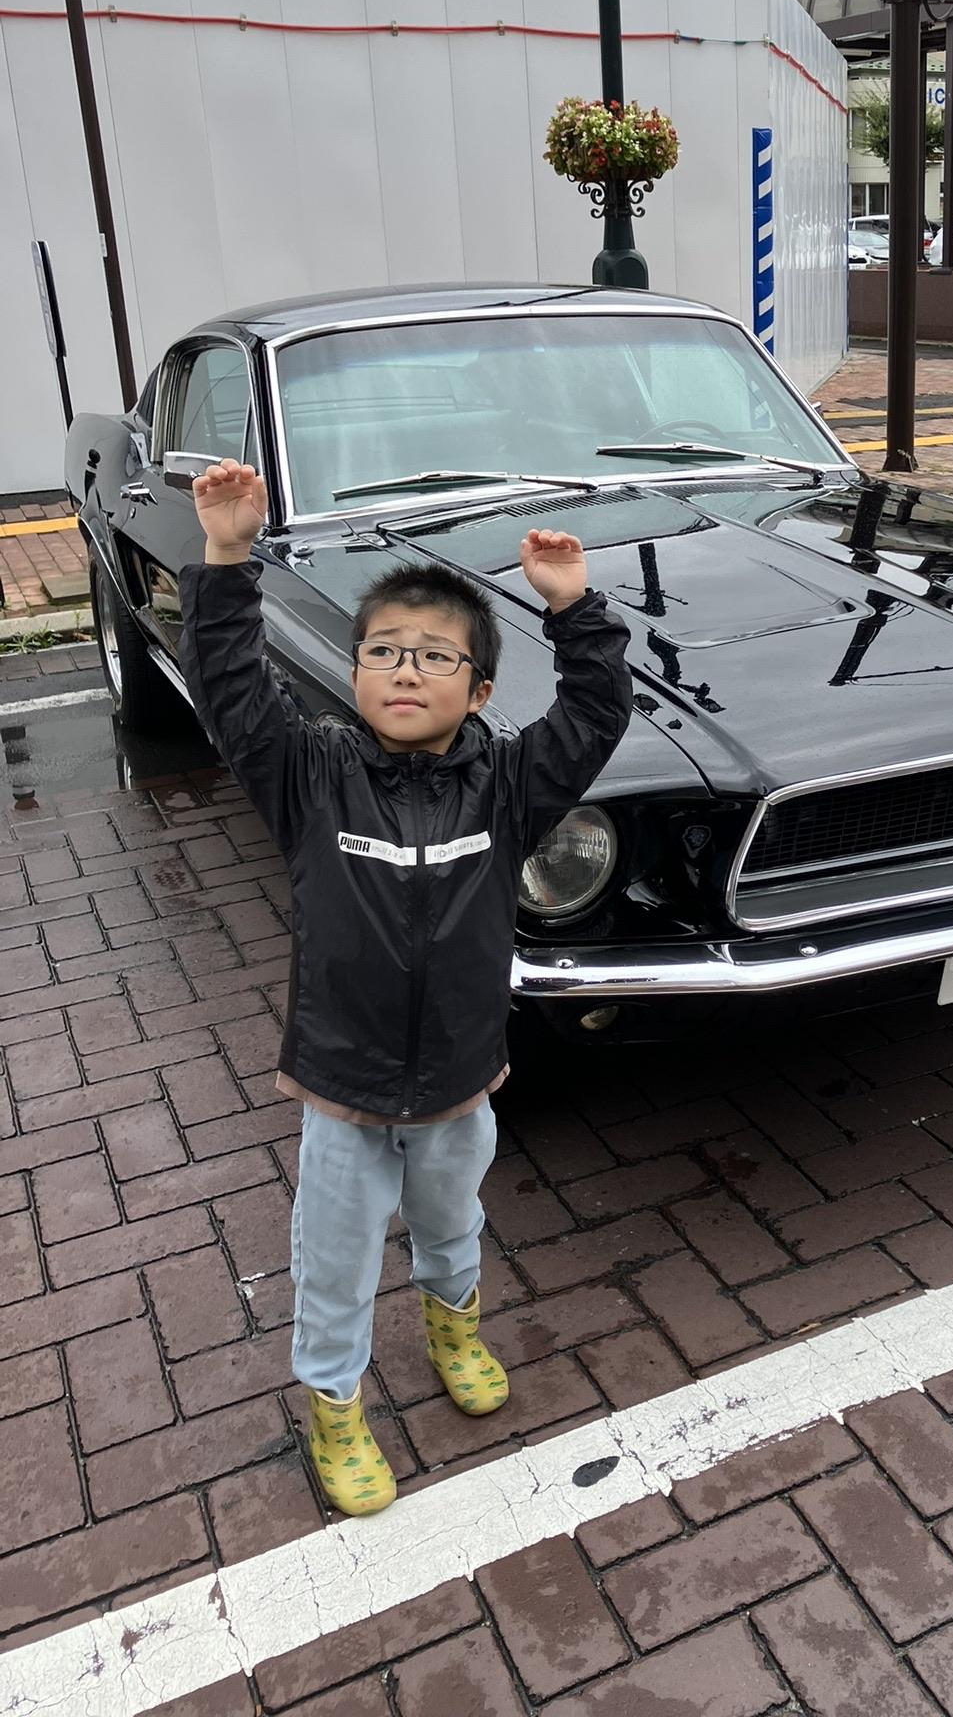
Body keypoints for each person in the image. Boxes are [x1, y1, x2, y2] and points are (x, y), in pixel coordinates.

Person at [179, 459, 632, 1516]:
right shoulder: (308, 772)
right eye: (384, 652)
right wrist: (228, 557)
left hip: (462, 1077)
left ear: (478, 691)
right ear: (355, 674)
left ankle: (452, 1325)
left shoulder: (511, 782)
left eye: (435, 656)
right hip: (341, 1083)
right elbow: (231, 687)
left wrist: (577, 611)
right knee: (334, 1256)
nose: (405, 670)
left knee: (450, 1215)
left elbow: (597, 713)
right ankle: (334, 1404)